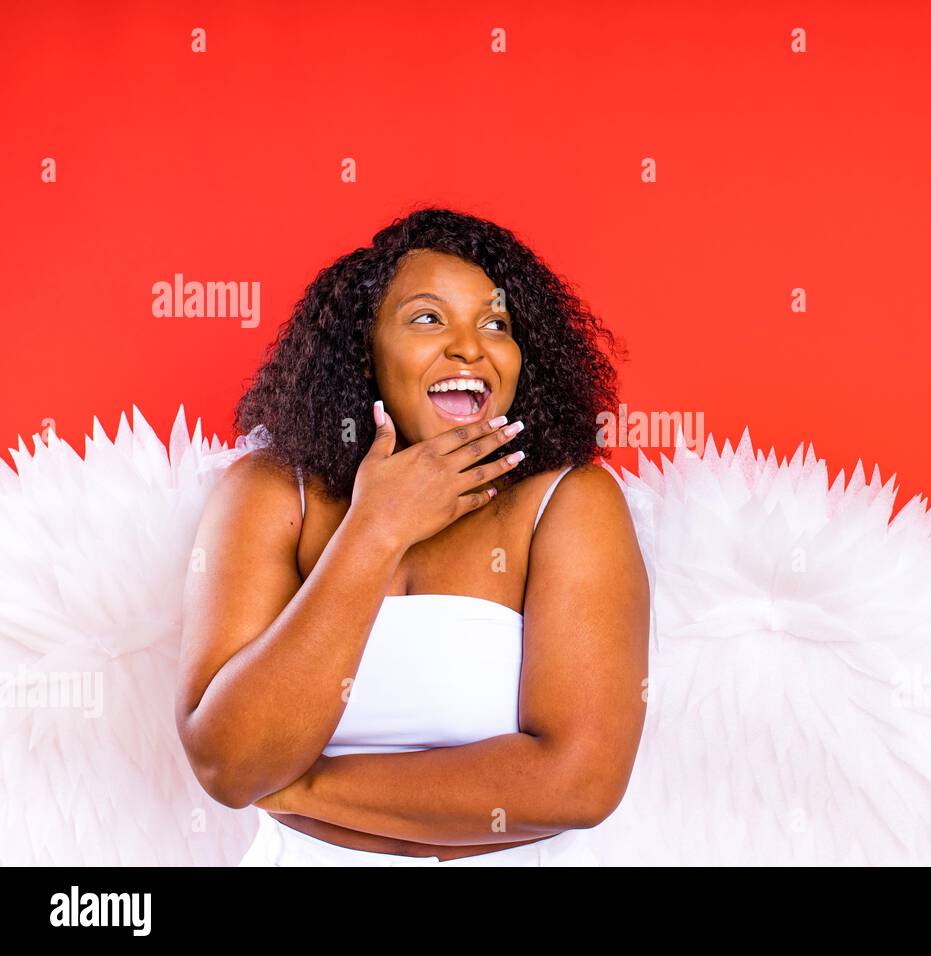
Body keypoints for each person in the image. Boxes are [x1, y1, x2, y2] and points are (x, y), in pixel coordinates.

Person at [175, 207, 651, 865]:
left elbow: (578, 781)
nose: (468, 346)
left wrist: (304, 786)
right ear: (363, 351)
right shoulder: (274, 491)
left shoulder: (570, 503)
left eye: (496, 324)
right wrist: (376, 528)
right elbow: (229, 761)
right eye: (428, 319)